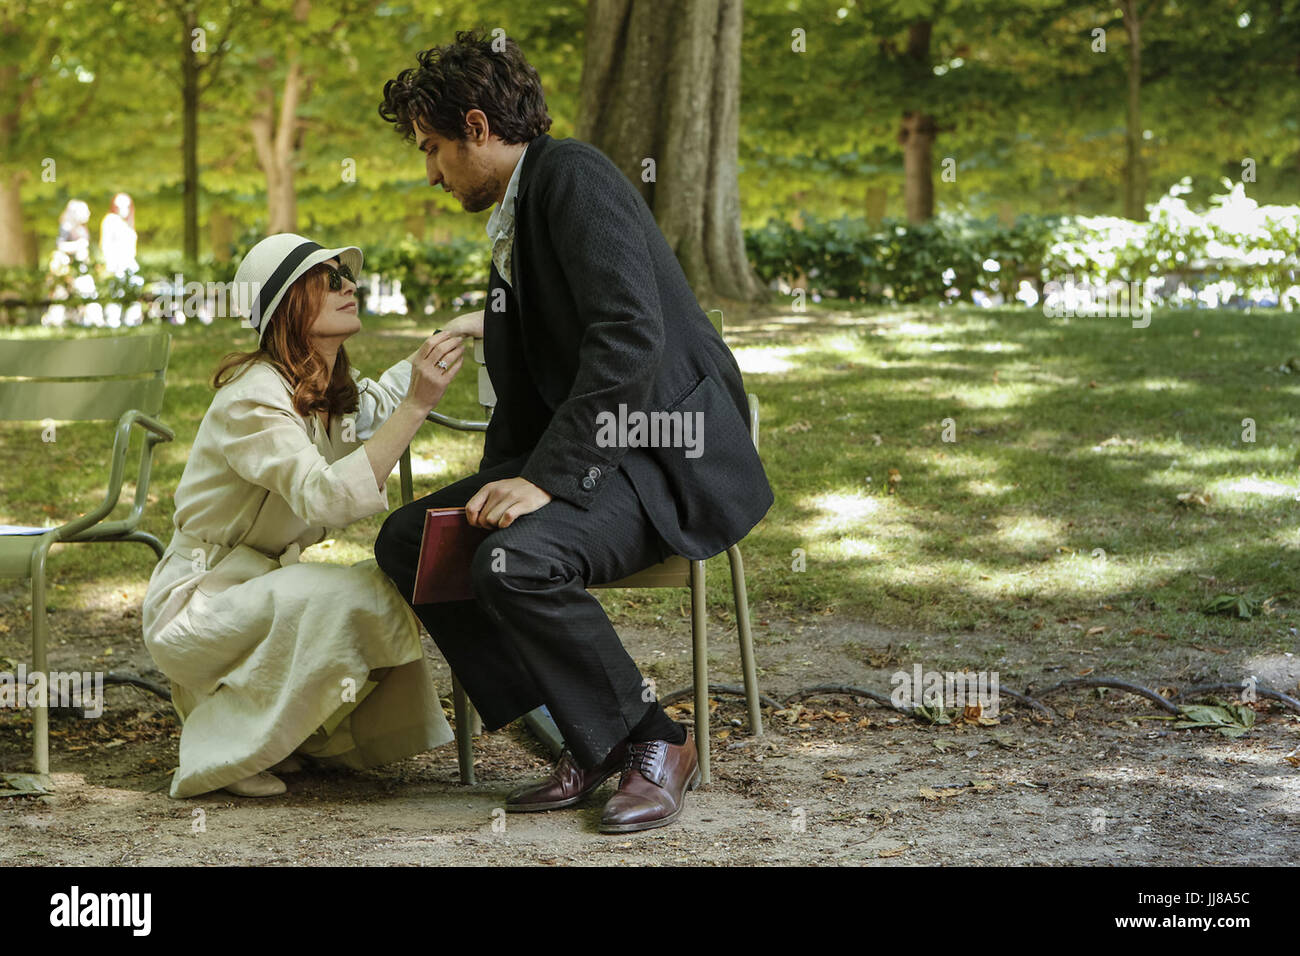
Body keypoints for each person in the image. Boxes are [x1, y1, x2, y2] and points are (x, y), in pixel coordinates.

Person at [373, 31, 774, 833]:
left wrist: (545, 480)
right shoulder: (519, 213)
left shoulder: (574, 178)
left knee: (515, 562)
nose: (430, 173)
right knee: (417, 540)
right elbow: (528, 394)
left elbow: (628, 337)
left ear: (478, 127)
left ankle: (655, 741)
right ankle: (577, 735)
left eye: (433, 149)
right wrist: (500, 479)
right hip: (605, 454)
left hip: (662, 459)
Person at [141, 232, 481, 799]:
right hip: (199, 604)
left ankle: (292, 736)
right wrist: (420, 405)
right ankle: (223, 751)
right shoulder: (252, 398)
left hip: (260, 593)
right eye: (330, 280)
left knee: (385, 588)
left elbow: (389, 395)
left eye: (346, 276)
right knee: (345, 595)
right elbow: (322, 495)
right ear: (289, 303)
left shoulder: (324, 390)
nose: (350, 285)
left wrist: (461, 328)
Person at [100, 192, 143, 327]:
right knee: (116, 293)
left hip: (129, 264)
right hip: (116, 264)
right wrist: (112, 264)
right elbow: (105, 244)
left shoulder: (128, 224)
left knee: (133, 291)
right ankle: (113, 321)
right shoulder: (110, 220)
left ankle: (131, 320)